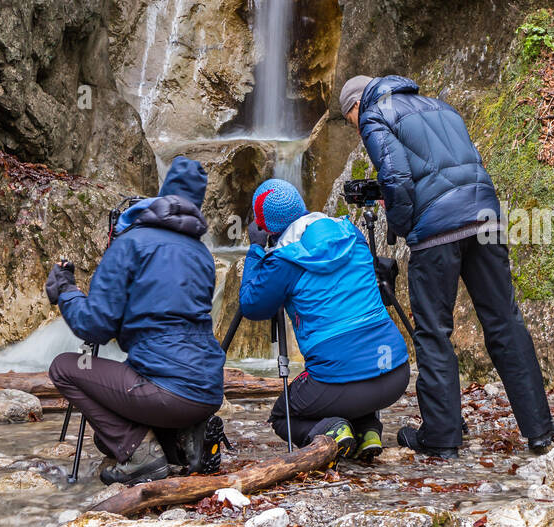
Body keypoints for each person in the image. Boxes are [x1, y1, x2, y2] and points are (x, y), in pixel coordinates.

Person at [339, 74, 554, 459]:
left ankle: (441, 437)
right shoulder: (443, 107)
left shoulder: (375, 114)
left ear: (355, 106)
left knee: (434, 332)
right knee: (505, 320)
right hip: (485, 218)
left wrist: (405, 228)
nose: (355, 128)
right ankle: (540, 431)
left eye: (349, 120)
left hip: (438, 230)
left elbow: (397, 177)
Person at [45, 156, 225, 485]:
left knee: (65, 367)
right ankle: (185, 441)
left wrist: (67, 291)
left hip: (165, 391)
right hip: (208, 392)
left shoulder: (131, 243)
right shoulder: (202, 255)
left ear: (163, 195)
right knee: (104, 439)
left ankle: (142, 456)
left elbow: (94, 327)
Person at [239, 178, 410, 461]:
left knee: (283, 416)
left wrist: (257, 250)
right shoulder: (350, 233)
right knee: (354, 368)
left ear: (265, 226)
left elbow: (252, 306)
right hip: (395, 373)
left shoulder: (284, 260)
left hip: (337, 382)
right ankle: (368, 429)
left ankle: (333, 429)